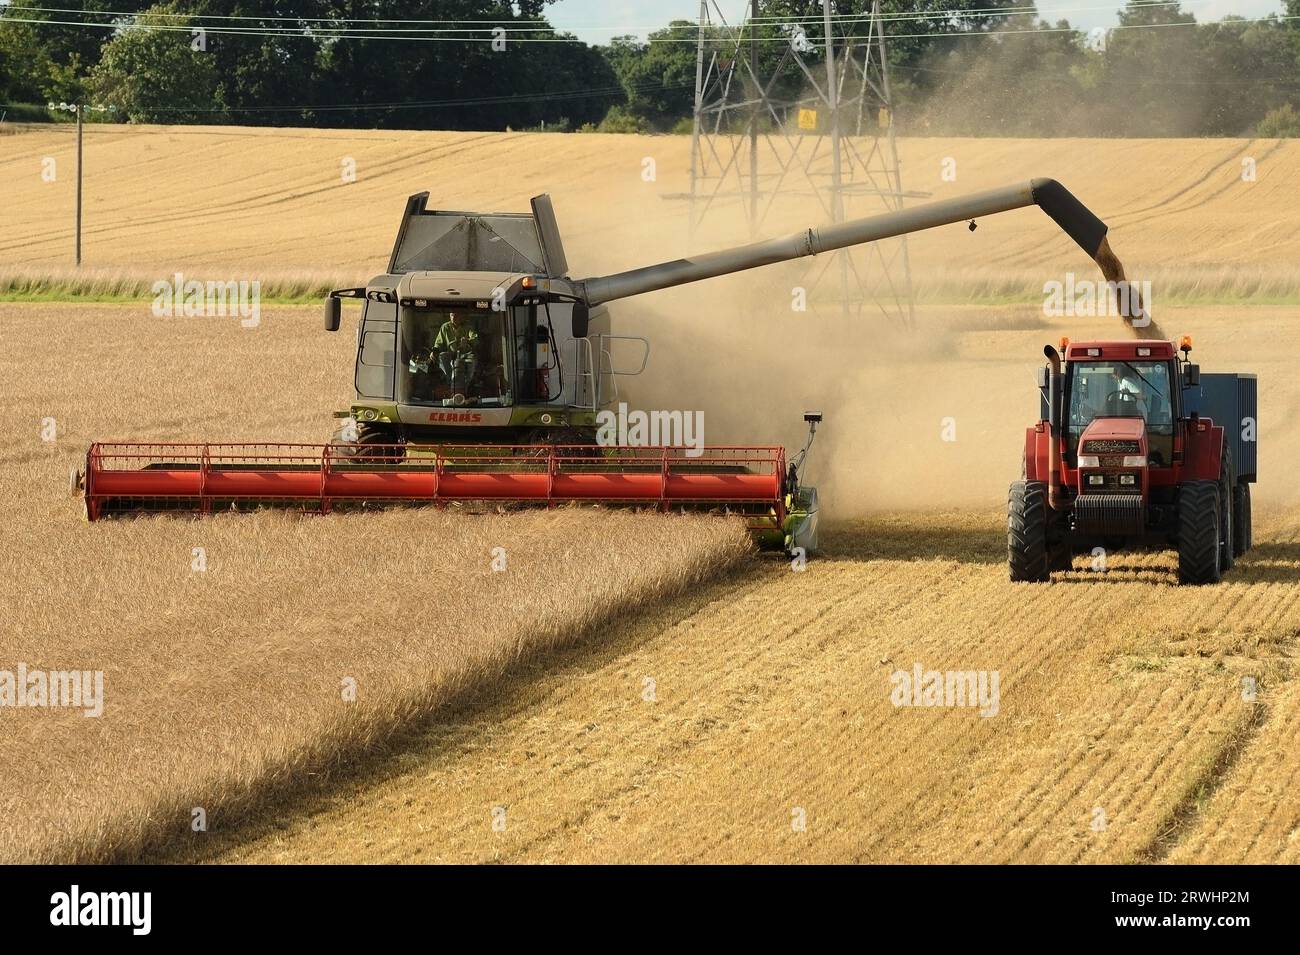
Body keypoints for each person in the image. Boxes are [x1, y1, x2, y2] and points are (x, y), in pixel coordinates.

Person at [434, 312, 479, 393]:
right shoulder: (445, 327)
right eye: (452, 315)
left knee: (472, 360)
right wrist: (434, 351)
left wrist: (468, 341)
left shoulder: (468, 326)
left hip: (465, 354)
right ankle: (450, 381)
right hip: (451, 354)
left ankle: (466, 384)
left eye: (456, 315)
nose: (454, 317)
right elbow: (438, 342)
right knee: (442, 356)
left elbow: (475, 338)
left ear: (461, 316)